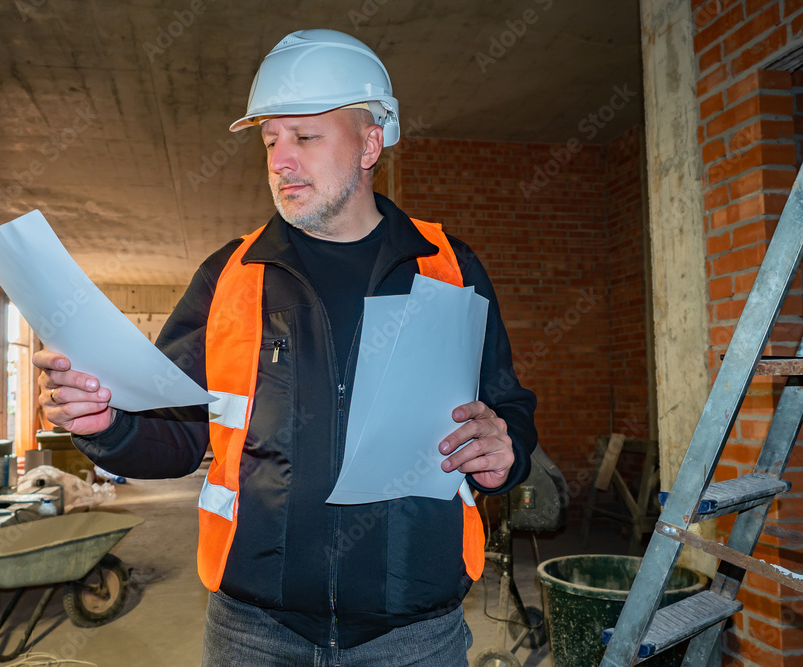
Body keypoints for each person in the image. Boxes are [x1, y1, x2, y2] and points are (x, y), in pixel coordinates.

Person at [34, 29, 537, 667]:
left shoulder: (448, 269)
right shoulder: (231, 276)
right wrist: (106, 424)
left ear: (369, 142)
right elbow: (178, 433)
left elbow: (508, 406)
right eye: (271, 139)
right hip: (256, 633)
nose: (280, 159)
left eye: (305, 136)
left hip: (413, 634)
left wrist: (508, 447)